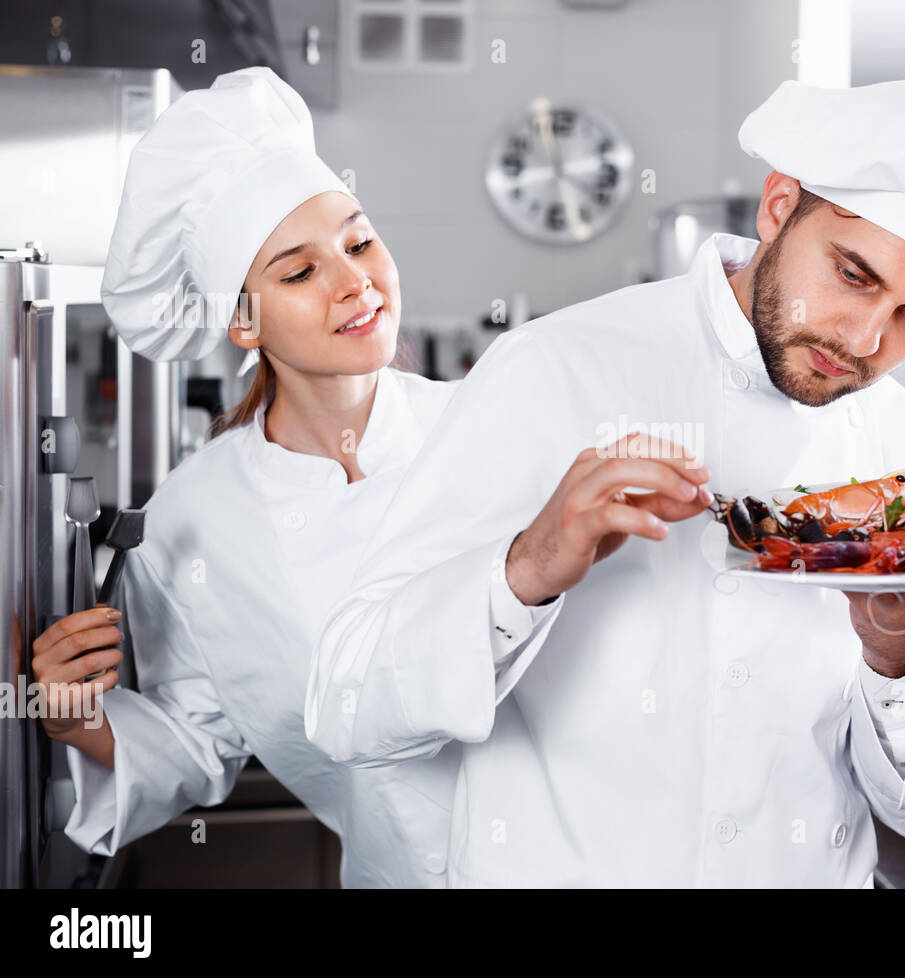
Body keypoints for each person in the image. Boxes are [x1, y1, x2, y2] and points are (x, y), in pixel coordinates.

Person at [305, 74, 905, 887]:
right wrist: (526, 568)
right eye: (854, 275)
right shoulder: (556, 368)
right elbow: (346, 708)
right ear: (778, 206)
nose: (866, 341)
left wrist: (904, 660)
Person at [29, 68, 556, 887]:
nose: (353, 283)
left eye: (358, 242)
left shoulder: (495, 428)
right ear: (242, 320)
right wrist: (75, 718)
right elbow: (194, 739)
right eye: (299, 272)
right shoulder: (195, 522)